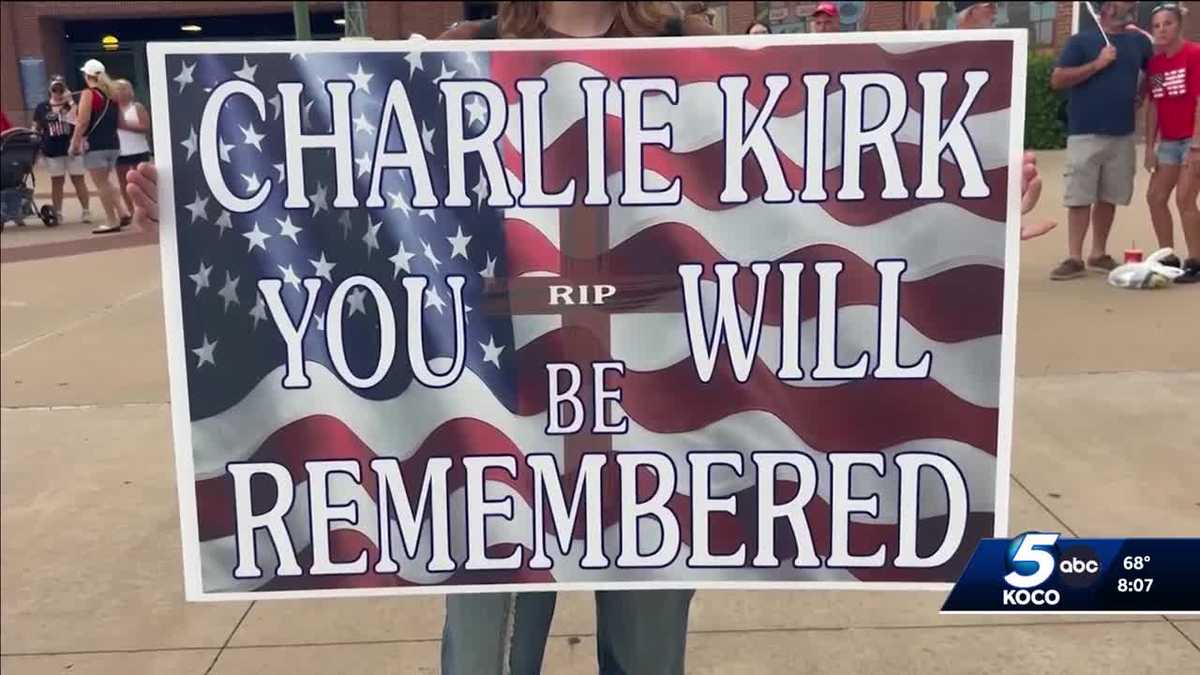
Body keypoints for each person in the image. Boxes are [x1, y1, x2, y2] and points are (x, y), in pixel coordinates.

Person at [123, 2, 1051, 670]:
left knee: (649, 649)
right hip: (495, 417)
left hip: (653, 422)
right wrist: (197, 202)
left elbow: (833, 175)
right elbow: (327, 189)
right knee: (481, 646)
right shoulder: (464, 53)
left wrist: (974, 201)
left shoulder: (698, 49)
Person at [1049, 2, 1152, 280]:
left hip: (1122, 132)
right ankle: (1074, 256)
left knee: (1110, 196)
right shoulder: (1081, 41)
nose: (1132, 5)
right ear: (1106, 8)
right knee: (1080, 196)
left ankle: (1098, 252)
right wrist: (1098, 64)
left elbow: (1150, 73)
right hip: (1085, 131)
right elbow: (1058, 79)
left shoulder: (1139, 42)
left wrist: (1140, 96)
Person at [1143, 2, 1200, 282]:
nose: (1162, 30)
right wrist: (1150, 147)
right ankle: (1168, 256)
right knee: (1155, 197)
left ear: (1180, 25)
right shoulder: (1155, 63)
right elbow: (1154, 106)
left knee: (1185, 199)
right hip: (1168, 141)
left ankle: (1196, 261)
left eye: (1168, 23)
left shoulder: (1195, 54)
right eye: (1156, 25)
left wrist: (1197, 146)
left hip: (1193, 139)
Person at [69, 58, 130, 234]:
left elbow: (82, 121)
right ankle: (122, 210)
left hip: (95, 145)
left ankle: (111, 220)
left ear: (87, 75)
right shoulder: (113, 96)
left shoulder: (89, 94)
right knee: (107, 181)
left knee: (101, 184)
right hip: (112, 144)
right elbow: (119, 121)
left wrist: (74, 143)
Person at [33, 76, 93, 225]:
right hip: (52, 149)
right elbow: (36, 126)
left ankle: (86, 210)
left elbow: (78, 119)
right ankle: (58, 212)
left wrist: (70, 100)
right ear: (49, 90)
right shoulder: (42, 107)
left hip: (72, 147)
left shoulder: (71, 105)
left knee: (78, 179)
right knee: (57, 181)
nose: (57, 92)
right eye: (55, 89)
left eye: (60, 89)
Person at [113, 79, 152, 219]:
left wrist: (125, 126)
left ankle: (145, 207)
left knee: (140, 181)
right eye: (117, 89)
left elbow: (145, 127)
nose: (121, 92)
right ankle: (131, 209)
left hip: (138, 149)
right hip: (120, 150)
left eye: (124, 89)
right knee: (123, 182)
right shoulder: (112, 109)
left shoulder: (137, 107)